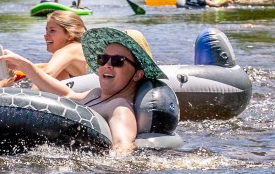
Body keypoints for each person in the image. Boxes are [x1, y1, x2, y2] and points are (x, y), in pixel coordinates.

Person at [18, 26, 165, 152]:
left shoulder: (120, 108)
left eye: (117, 61)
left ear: (137, 74)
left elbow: (123, 144)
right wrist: (24, 65)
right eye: (103, 58)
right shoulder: (96, 94)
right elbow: (67, 95)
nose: (107, 64)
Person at [0, 9, 88, 85]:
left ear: (70, 35)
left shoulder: (68, 50)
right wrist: (16, 66)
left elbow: (47, 75)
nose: (45, 35)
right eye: (46, 30)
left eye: (52, 30)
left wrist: (1, 86)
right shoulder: (77, 50)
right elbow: (48, 81)